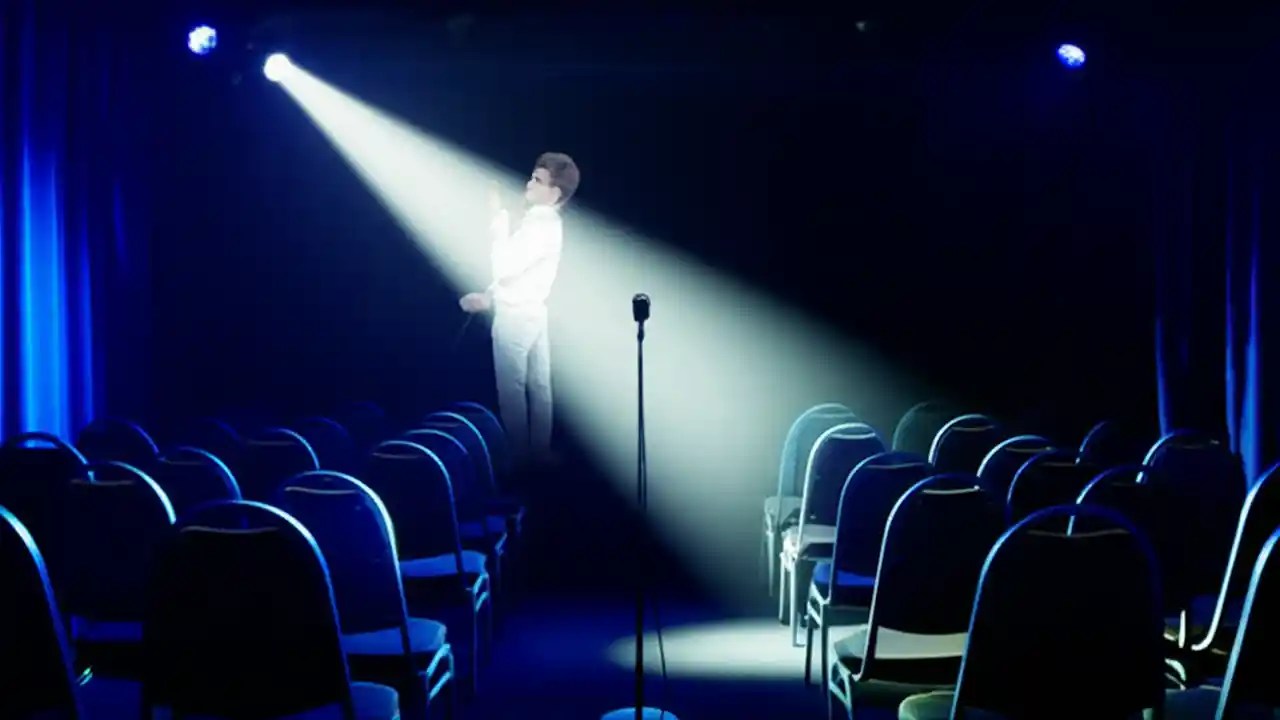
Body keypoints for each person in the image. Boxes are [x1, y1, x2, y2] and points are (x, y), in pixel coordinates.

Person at [460, 152, 580, 469]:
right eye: (532, 175)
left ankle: (523, 458)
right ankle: (536, 452)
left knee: (513, 391)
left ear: (554, 193)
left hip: (517, 318)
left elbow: (505, 266)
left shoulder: (540, 226)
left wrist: (496, 219)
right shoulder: (544, 223)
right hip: (531, 312)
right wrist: (488, 296)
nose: (529, 182)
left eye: (537, 180)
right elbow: (518, 275)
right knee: (539, 387)